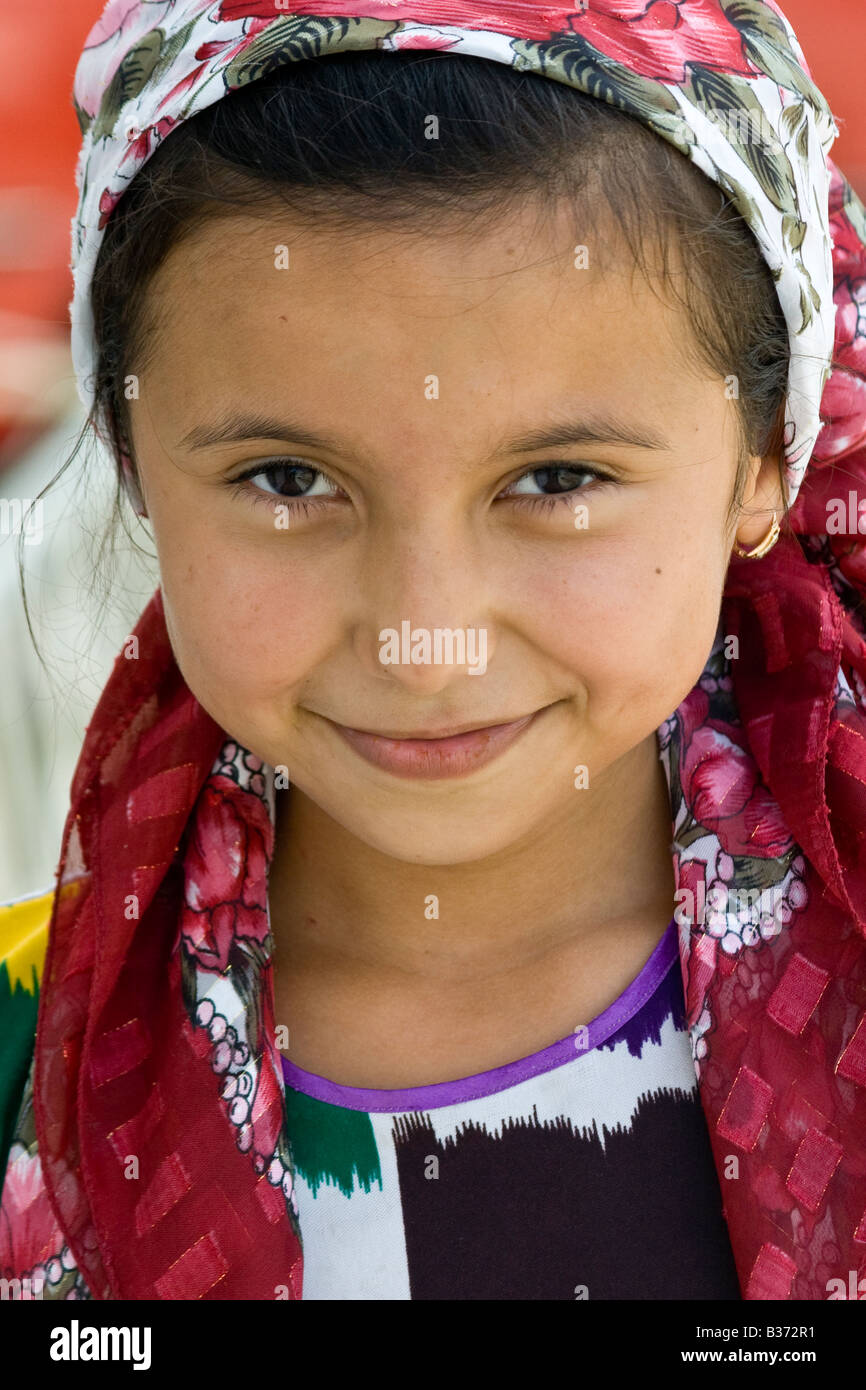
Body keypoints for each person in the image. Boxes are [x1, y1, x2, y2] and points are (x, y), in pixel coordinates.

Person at [1, 0, 866, 1302]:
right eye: (288, 475)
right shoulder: (27, 1052)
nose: (423, 634)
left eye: (555, 476)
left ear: (760, 463)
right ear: (132, 461)